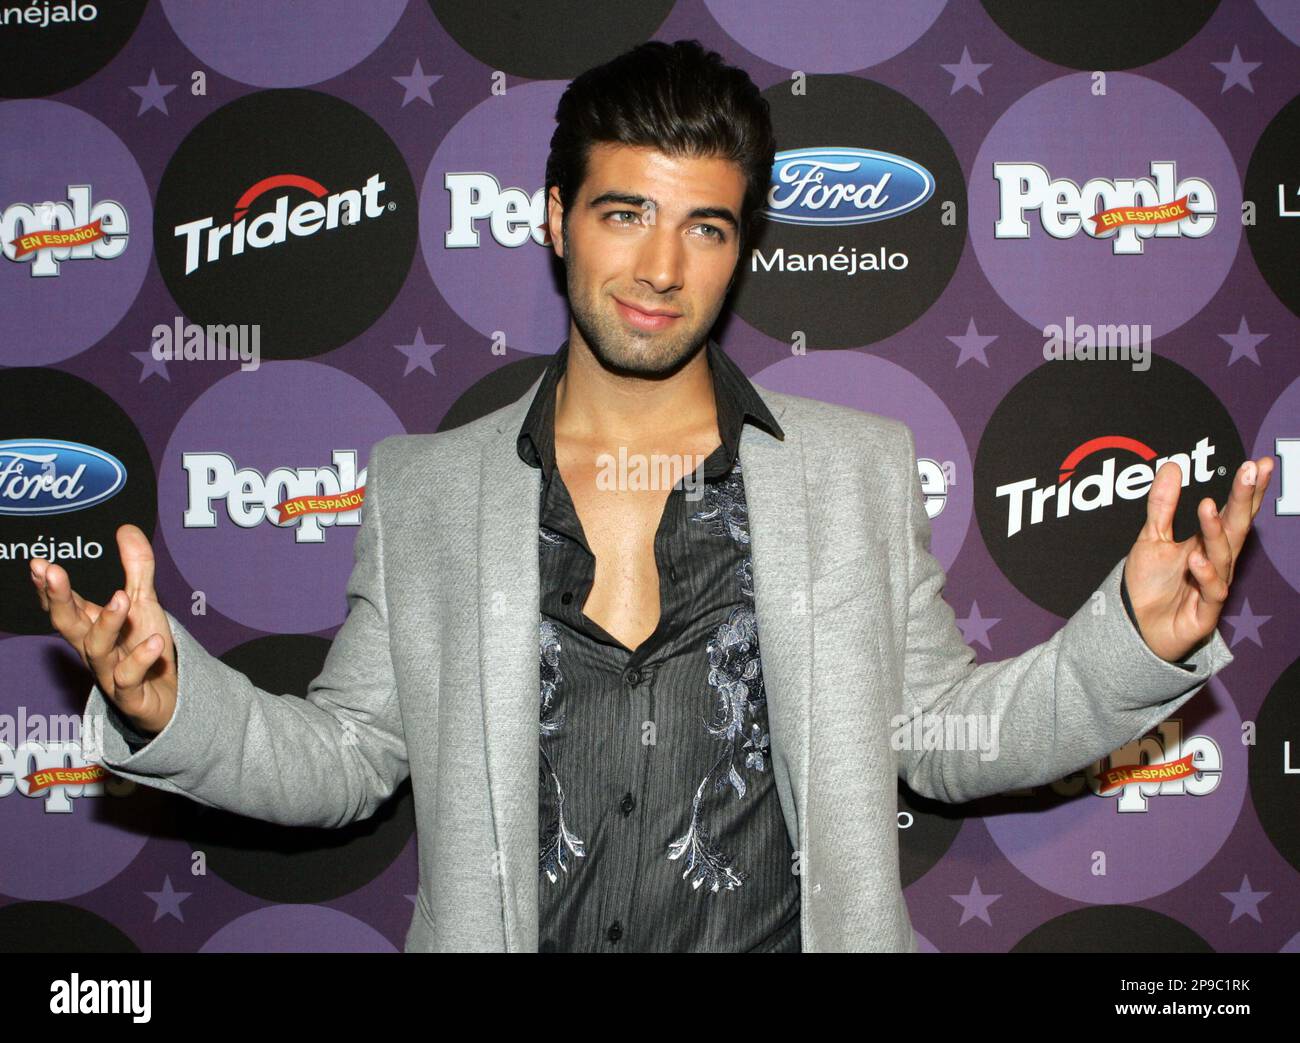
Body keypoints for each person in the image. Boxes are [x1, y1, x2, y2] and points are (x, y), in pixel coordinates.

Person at [31, 39, 1274, 953]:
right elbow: (352, 757)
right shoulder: (426, 490)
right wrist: (167, 702)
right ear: (557, 219)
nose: (662, 270)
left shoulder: (851, 467)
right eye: (626, 214)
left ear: (744, 248)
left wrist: (1130, 645)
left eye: (708, 229)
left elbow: (935, 735)